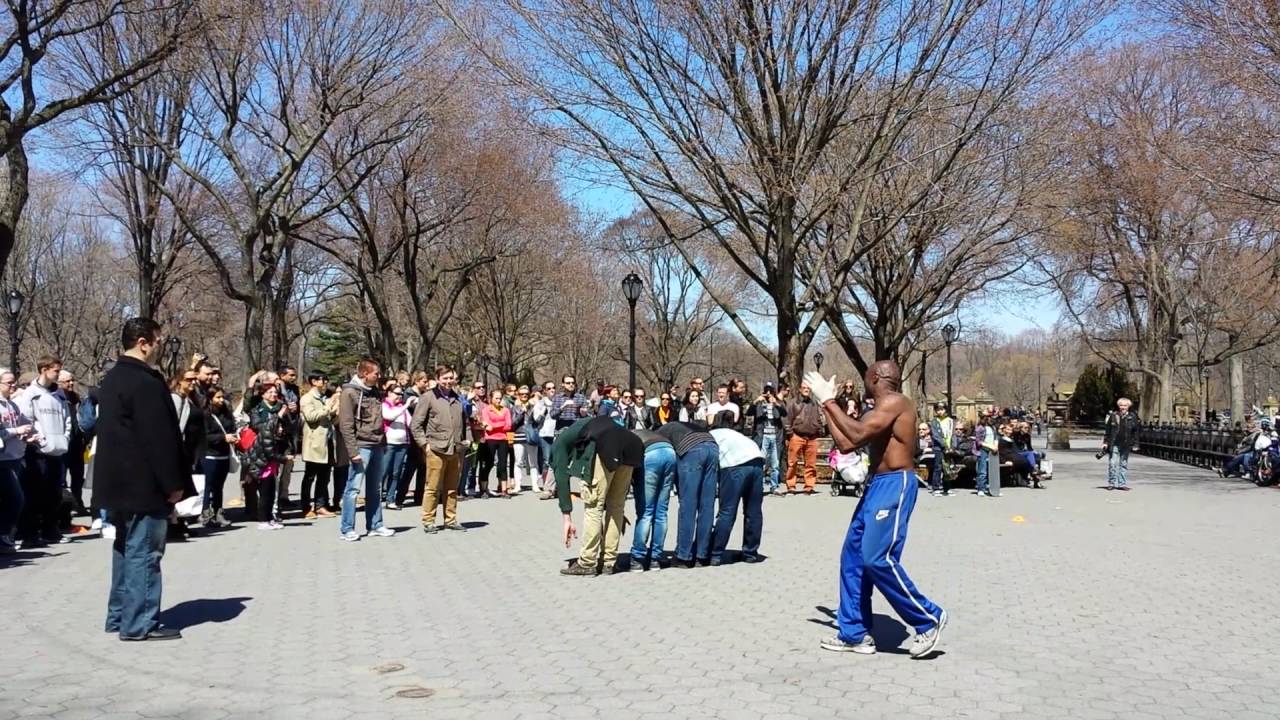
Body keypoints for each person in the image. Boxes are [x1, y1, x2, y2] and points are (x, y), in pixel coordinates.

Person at [806, 362, 947, 659]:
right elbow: (846, 443)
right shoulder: (878, 410)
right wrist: (825, 404)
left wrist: (830, 402)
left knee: (877, 558)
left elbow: (856, 436)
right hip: (876, 486)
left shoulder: (896, 403)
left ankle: (927, 618)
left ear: (875, 378)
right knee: (853, 557)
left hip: (895, 483)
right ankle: (854, 633)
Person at [94, 318, 194, 641]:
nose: (160, 345)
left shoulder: (111, 379)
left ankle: (120, 615)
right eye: (157, 340)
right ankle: (139, 623)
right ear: (143, 342)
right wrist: (172, 483)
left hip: (117, 481)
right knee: (145, 552)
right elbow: (159, 438)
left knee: (125, 548)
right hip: (144, 482)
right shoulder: (146, 382)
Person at [551, 416, 644, 576]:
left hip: (606, 446)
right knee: (616, 507)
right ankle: (609, 562)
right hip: (631, 445)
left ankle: (587, 562)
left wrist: (567, 517)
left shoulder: (560, 443)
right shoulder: (587, 425)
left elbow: (561, 476)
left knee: (594, 507)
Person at [336, 359, 396, 541]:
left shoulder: (375, 392)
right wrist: (352, 451)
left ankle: (375, 524)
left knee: (375, 488)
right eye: (375, 373)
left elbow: (379, 419)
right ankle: (347, 528)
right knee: (353, 488)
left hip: (377, 444)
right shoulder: (349, 392)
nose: (378, 376)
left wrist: (383, 442)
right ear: (364, 374)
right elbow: (345, 425)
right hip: (361, 446)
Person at [15, 356, 71, 546]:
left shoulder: (60, 394)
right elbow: (26, 419)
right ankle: (30, 534)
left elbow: (67, 419)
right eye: (55, 370)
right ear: (44, 369)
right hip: (38, 451)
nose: (58, 373)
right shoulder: (30, 393)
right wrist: (40, 440)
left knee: (54, 493)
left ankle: (51, 529)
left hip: (58, 449)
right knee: (34, 494)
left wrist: (65, 438)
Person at [411, 365, 467, 533]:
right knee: (433, 487)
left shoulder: (457, 399)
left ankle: (450, 519)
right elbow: (416, 424)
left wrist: (466, 441)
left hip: (455, 449)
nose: (449, 381)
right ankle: (428, 520)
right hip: (436, 448)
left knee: (452, 488)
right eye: (445, 378)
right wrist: (424, 445)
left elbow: (465, 422)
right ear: (437, 379)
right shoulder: (428, 397)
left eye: (451, 378)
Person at [656, 420, 720, 568]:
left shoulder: (662, 432)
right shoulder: (683, 426)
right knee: (707, 505)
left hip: (692, 449)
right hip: (712, 446)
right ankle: (702, 556)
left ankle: (683, 556)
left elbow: (663, 453)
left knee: (688, 505)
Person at [708, 427, 765, 565]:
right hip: (757, 463)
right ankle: (750, 553)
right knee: (754, 511)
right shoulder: (734, 433)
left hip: (734, 466)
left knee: (727, 511)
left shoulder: (710, 436)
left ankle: (715, 553)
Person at [630, 428, 676, 571]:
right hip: (670, 453)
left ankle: (637, 558)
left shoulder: (628, 437)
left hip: (651, 455)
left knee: (646, 512)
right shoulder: (647, 432)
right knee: (661, 512)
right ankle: (655, 558)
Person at [0, 370, 35, 552]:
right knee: (16, 499)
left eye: (14, 382)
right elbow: (4, 433)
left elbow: (20, 426)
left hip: (17, 457)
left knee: (14, 499)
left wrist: (28, 435)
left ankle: (7, 537)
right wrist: (17, 431)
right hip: (3, 460)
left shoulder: (13, 405)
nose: (13, 386)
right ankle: (4, 534)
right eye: (9, 383)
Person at [299, 373, 337, 519]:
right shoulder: (307, 398)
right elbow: (311, 417)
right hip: (314, 443)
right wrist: (328, 407)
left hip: (327, 442)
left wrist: (334, 408)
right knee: (310, 476)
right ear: (313, 381)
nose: (325, 382)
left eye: (326, 379)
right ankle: (306, 507)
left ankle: (321, 505)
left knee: (324, 476)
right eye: (322, 379)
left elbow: (328, 417)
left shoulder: (323, 397)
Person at [200, 386, 236, 528]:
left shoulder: (227, 413)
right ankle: (205, 514)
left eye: (222, 397)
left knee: (219, 487)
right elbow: (204, 436)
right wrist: (222, 437)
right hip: (210, 456)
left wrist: (234, 436)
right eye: (217, 397)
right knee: (208, 486)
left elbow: (231, 428)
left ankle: (218, 513)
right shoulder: (205, 415)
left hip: (224, 455)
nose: (221, 400)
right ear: (210, 399)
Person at [783, 382, 824, 495]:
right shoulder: (793, 403)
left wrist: (819, 429)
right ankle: (791, 486)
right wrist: (790, 434)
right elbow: (787, 420)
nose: (806, 390)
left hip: (812, 437)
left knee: (811, 464)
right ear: (800, 389)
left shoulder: (814, 403)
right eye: (804, 388)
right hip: (797, 435)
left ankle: (809, 486)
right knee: (793, 463)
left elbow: (820, 418)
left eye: (808, 388)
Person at [58, 370, 88, 516]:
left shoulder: (77, 398)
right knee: (61, 478)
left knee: (77, 476)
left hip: (77, 442)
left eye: (71, 380)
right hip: (63, 443)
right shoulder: (56, 398)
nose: (70, 383)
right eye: (66, 381)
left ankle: (78, 503)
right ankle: (63, 508)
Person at [381, 384, 412, 509]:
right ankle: (375, 498)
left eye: (401, 394)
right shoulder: (384, 405)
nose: (399, 396)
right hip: (388, 444)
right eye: (397, 393)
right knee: (383, 472)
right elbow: (389, 416)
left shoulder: (402, 408)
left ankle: (390, 499)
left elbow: (411, 423)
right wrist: (406, 405)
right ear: (389, 393)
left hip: (402, 444)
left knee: (396, 473)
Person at [478, 388, 513, 497]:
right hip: (490, 439)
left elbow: (508, 425)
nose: (499, 400)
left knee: (502, 465)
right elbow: (488, 427)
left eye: (500, 398)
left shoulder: (506, 410)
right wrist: (499, 425)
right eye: (496, 398)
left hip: (503, 439)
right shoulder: (486, 410)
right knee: (488, 464)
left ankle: (504, 490)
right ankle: (484, 489)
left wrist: (495, 426)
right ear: (491, 399)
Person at [1102, 397, 1138, 491]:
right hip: (1114, 443)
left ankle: (1122, 484)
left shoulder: (1132, 416)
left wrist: (1136, 444)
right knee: (1112, 463)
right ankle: (1111, 483)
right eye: (1121, 405)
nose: (1123, 407)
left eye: (1125, 405)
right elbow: (1108, 430)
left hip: (1126, 443)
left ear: (1128, 406)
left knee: (1123, 464)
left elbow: (1136, 432)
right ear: (1118, 406)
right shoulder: (1114, 415)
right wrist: (1105, 442)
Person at [927, 404, 954, 497]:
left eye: (942, 409)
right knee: (938, 467)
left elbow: (952, 434)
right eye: (938, 410)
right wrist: (944, 445)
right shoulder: (934, 421)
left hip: (949, 447)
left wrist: (952, 446)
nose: (940, 411)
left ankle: (947, 488)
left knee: (947, 468)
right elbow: (935, 435)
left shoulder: (950, 421)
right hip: (939, 447)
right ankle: (936, 488)